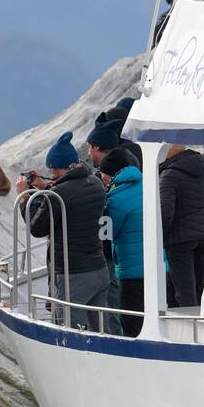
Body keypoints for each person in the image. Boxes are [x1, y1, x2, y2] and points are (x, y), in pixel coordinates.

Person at [15, 131, 110, 330]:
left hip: (73, 274)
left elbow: (37, 227)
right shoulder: (95, 183)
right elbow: (73, 193)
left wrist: (25, 197)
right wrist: (47, 186)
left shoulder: (58, 194)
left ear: (52, 167)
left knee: (68, 333)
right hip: (99, 270)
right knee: (101, 332)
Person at [159, 145, 204, 308]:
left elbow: (165, 213)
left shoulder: (169, 175)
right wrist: (198, 218)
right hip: (203, 236)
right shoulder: (201, 169)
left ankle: (188, 330)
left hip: (180, 241)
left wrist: (159, 239)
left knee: (185, 293)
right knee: (199, 291)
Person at [100, 148, 145, 337]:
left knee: (132, 324)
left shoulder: (115, 200)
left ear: (111, 174)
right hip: (158, 267)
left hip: (131, 271)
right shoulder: (149, 185)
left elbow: (107, 236)